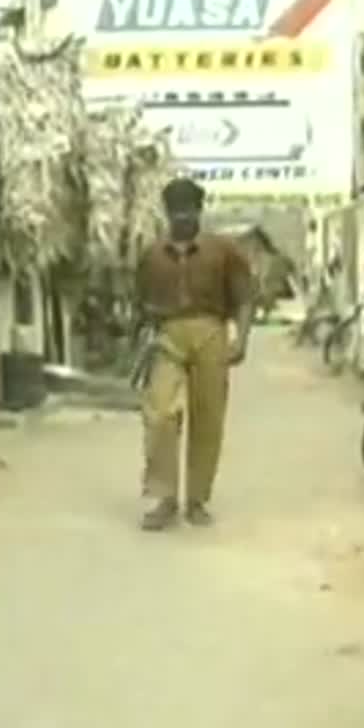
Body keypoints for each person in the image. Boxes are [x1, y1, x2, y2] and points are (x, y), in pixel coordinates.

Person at [135, 177, 253, 530]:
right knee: (159, 415)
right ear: (167, 213)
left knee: (208, 416)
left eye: (189, 211)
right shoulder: (152, 255)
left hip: (211, 331)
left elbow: (244, 299)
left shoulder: (224, 251)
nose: (183, 218)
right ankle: (164, 496)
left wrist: (241, 339)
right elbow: (139, 305)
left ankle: (197, 499)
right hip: (168, 334)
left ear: (200, 212)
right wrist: (140, 342)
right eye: (177, 212)